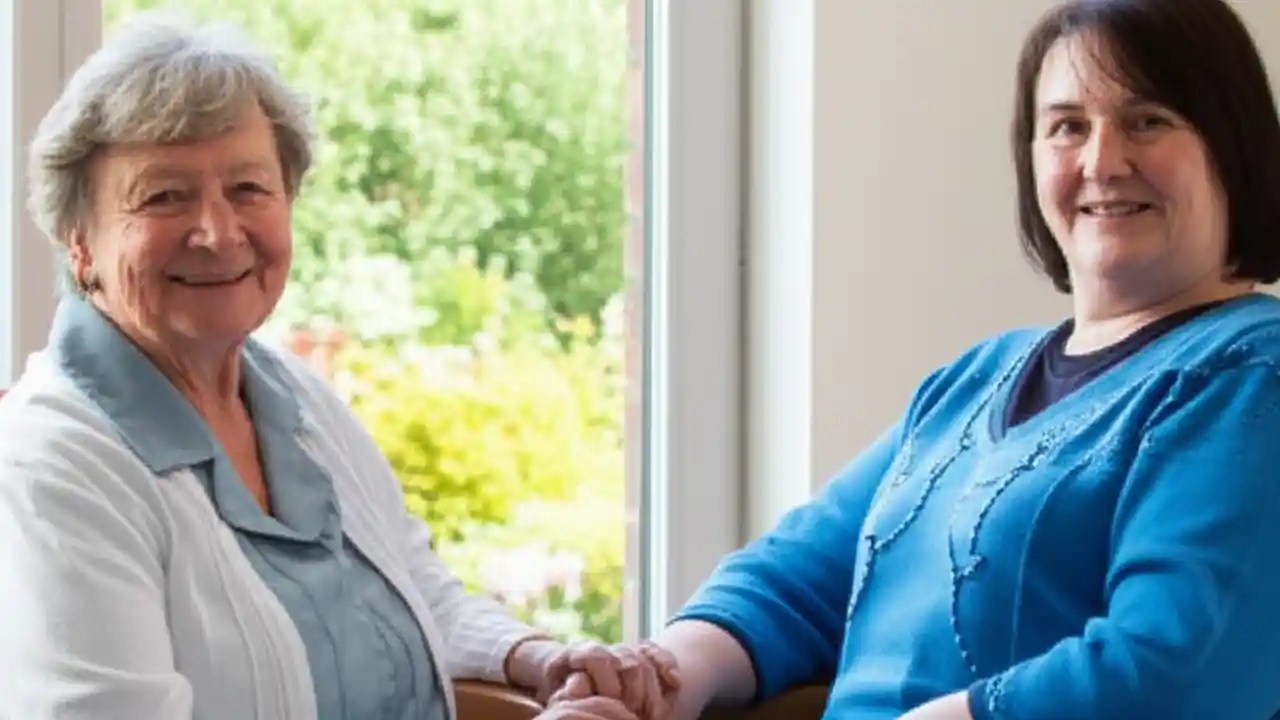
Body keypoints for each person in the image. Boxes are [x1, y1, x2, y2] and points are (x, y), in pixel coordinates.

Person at [556, 0, 1280, 718]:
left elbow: (1177, 669)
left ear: (1232, 143)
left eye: (1147, 120)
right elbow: (801, 579)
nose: (1101, 161)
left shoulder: (1249, 377)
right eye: (1066, 126)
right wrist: (660, 676)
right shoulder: (977, 378)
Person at [0, 12, 673, 720]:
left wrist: (535, 656)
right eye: (164, 196)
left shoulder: (293, 400)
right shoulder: (51, 468)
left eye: (249, 189)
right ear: (79, 244)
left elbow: (416, 593)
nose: (217, 231)